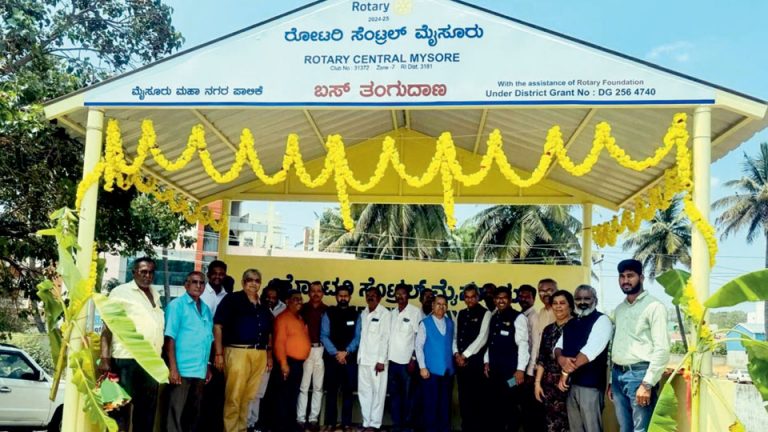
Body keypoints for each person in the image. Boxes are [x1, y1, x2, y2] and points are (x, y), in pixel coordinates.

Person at [98, 257, 164, 432]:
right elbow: (107, 327)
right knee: (119, 411)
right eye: (143, 272)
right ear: (134, 272)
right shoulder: (120, 292)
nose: (147, 276)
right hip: (126, 360)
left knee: (146, 413)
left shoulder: (155, 294)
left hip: (150, 363)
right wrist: (105, 358)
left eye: (151, 272)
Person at [609, 259, 671, 432]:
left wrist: (647, 384)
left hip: (640, 376)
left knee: (641, 429)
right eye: (622, 276)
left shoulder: (654, 307)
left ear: (641, 278)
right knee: (625, 427)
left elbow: (662, 348)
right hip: (618, 375)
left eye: (630, 276)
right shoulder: (620, 309)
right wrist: (611, 381)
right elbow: (616, 345)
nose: (625, 280)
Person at [214, 268, 274, 432]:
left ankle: (241, 429)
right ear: (243, 282)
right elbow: (218, 326)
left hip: (259, 353)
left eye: (257, 280)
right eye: (250, 280)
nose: (253, 283)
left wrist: (269, 356)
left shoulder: (263, 306)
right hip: (237, 351)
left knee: (248, 396)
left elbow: (269, 333)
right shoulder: (232, 299)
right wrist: (219, 354)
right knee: (234, 395)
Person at [555, 285, 613, 432]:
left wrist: (565, 372)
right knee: (576, 428)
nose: (582, 302)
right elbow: (557, 347)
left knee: (592, 428)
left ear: (595, 300)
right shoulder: (571, 323)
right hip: (571, 386)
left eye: (587, 298)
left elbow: (589, 352)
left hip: (590, 386)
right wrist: (561, 359)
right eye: (578, 299)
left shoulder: (602, 320)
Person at [165, 271, 214, 432]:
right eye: (194, 282)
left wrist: (207, 365)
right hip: (182, 369)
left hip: (199, 370)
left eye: (201, 283)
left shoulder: (205, 309)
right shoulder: (177, 306)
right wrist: (173, 368)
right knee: (175, 414)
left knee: (193, 415)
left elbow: (208, 339)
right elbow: (170, 338)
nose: (198, 286)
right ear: (186, 285)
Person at [484, 286, 530, 432]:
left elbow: (523, 344)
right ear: (494, 300)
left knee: (511, 403)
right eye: (498, 298)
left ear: (510, 300)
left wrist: (520, 370)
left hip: (511, 374)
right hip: (495, 372)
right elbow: (490, 342)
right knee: (496, 404)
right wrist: (486, 361)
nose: (501, 301)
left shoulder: (518, 317)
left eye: (504, 298)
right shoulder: (494, 316)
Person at [320, 285, 361, 432]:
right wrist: (336, 353)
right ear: (336, 297)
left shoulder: (355, 314)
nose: (343, 298)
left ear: (349, 297)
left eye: (346, 296)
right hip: (332, 359)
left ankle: (346, 423)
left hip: (349, 359)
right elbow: (324, 335)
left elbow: (358, 337)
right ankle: (330, 423)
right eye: (340, 295)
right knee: (331, 390)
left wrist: (346, 352)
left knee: (348, 391)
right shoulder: (329, 313)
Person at [534, 290, 575, 432]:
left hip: (570, 384)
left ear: (570, 306)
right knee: (552, 423)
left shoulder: (577, 326)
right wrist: (537, 383)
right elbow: (542, 358)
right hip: (550, 386)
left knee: (572, 424)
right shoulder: (548, 329)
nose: (558, 306)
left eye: (562, 303)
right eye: (555, 303)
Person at [248, 284, 287, 431]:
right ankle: (249, 423)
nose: (270, 300)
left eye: (274, 298)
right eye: (268, 297)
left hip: (275, 356)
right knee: (252, 390)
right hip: (257, 354)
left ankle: (258, 423)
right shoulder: (258, 308)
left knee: (263, 393)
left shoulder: (284, 309)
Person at [452, 284, 491, 432]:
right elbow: (455, 336)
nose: (469, 300)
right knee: (463, 398)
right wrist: (456, 354)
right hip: (460, 364)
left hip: (475, 364)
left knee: (477, 399)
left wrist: (465, 355)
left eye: (473, 297)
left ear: (478, 297)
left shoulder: (485, 313)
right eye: (467, 297)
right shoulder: (461, 313)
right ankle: (466, 427)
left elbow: (482, 338)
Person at [415, 295, 454, 432]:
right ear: (433, 305)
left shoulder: (450, 323)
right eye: (438, 304)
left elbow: (453, 342)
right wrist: (422, 367)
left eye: (444, 304)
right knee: (430, 405)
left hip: (447, 372)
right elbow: (418, 346)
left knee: (445, 405)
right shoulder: (425, 323)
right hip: (430, 372)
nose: (441, 307)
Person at [274, 290, 312, 432]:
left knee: (293, 394)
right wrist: (283, 364)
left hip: (298, 364)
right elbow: (279, 343)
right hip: (287, 362)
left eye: (300, 299)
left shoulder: (299, 318)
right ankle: (282, 426)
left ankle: (290, 424)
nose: (299, 302)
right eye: (295, 299)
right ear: (287, 301)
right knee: (284, 396)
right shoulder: (283, 318)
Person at [388, 283, 423, 432]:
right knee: (394, 396)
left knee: (408, 396)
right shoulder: (392, 313)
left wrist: (413, 359)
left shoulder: (415, 312)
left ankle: (407, 427)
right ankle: (397, 425)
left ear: (408, 295)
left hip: (407, 363)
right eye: (397, 294)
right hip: (392, 362)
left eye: (403, 293)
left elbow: (418, 337)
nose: (400, 296)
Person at [357, 287, 392, 432]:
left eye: (373, 295)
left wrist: (381, 360)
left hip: (377, 362)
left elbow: (385, 338)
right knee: (364, 392)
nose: (370, 297)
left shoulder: (385, 314)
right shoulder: (364, 313)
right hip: (363, 359)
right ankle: (366, 423)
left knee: (378, 393)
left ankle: (375, 424)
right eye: (368, 295)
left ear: (380, 298)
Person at [201, 260, 229, 432]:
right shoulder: (202, 293)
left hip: (220, 347)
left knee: (218, 390)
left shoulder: (227, 296)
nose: (218, 277)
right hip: (204, 346)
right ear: (208, 274)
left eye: (221, 274)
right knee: (203, 389)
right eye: (215, 273)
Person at [298, 282, 328, 431]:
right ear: (308, 293)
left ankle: (313, 419)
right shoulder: (302, 309)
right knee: (304, 386)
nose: (316, 294)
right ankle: (300, 418)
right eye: (313, 291)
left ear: (323, 293)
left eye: (319, 291)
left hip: (321, 350)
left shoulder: (327, 310)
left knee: (318, 386)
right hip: (305, 350)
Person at [516, 284, 545, 432]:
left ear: (533, 299)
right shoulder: (521, 316)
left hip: (529, 372)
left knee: (530, 407)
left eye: (527, 297)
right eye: (521, 296)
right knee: (521, 403)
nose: (523, 299)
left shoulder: (534, 317)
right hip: (520, 370)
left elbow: (535, 345)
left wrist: (529, 371)